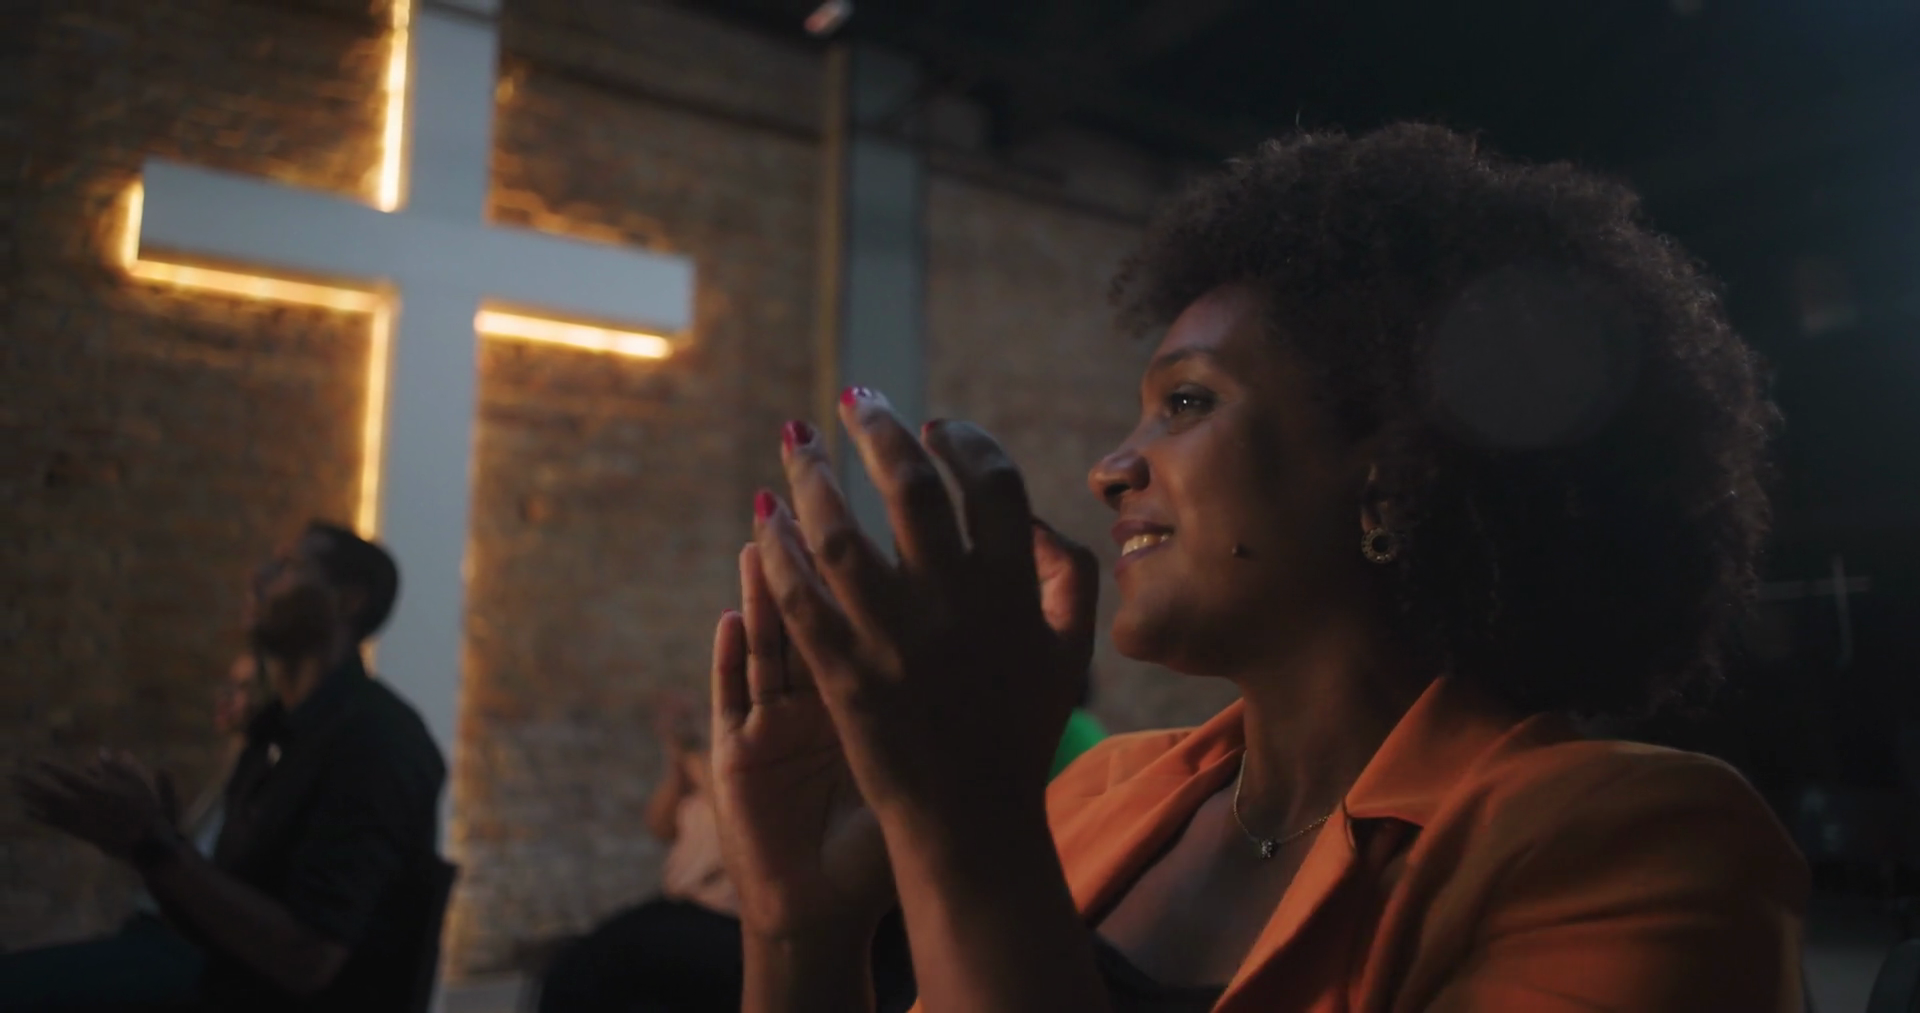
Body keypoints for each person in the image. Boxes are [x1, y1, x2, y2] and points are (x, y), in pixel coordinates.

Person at [706, 125, 1808, 1012]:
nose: (1109, 468)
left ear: (1397, 463)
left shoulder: (1639, 840)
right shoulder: (1099, 795)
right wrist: (800, 922)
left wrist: (964, 826)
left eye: (1186, 402)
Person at [14, 521, 446, 1012]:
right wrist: (146, 847)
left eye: (287, 566)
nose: (256, 577)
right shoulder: (276, 735)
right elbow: (217, 915)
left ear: (347, 601)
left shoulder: (377, 740)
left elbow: (309, 959)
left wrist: (157, 846)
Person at [536, 689, 916, 1013]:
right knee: (573, 971)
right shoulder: (701, 779)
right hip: (685, 906)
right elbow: (660, 825)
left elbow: (744, 817)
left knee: (597, 975)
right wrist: (678, 761)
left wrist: (700, 761)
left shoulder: (761, 771)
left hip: (729, 914)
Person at [0, 653, 265, 1010]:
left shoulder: (265, 782)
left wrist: (158, 843)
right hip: (153, 931)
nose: (226, 697)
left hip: (179, 950)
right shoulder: (230, 773)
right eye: (227, 686)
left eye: (244, 688)